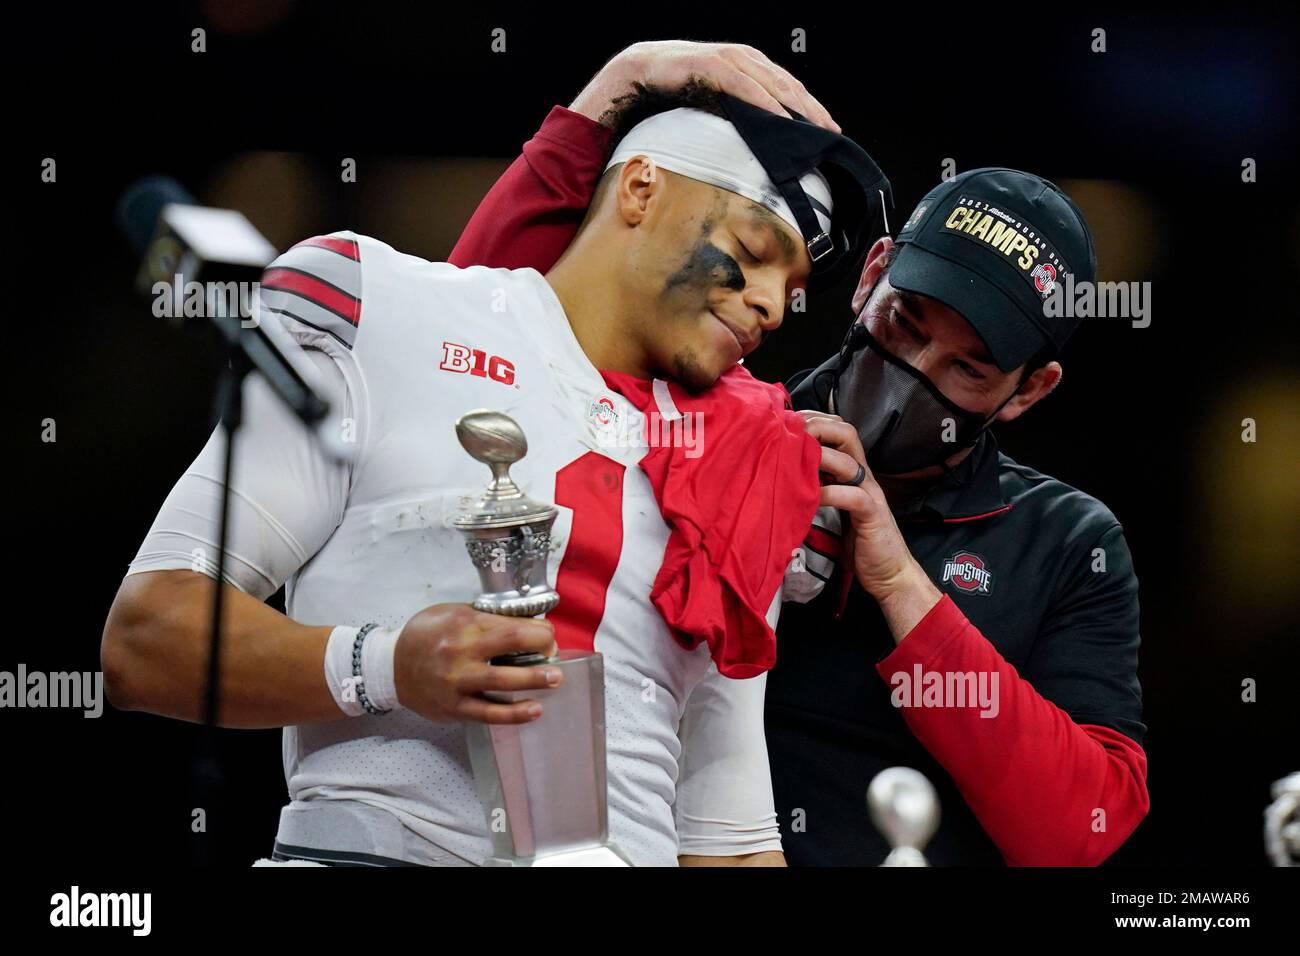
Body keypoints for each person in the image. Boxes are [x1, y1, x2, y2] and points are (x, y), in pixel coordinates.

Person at [101, 45, 887, 867]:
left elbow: (727, 832)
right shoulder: (390, 312)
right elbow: (146, 638)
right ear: (641, 186)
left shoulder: (745, 457)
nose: (770, 301)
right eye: (753, 248)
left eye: (790, 280)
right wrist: (389, 665)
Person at [449, 42, 1150, 866]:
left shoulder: (1066, 541)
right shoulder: (717, 408)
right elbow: (480, 355)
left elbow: (1084, 829)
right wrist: (614, 87)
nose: (913, 375)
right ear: (872, 275)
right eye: (905, 322)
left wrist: (898, 583)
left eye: (967, 368)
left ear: (1030, 392)